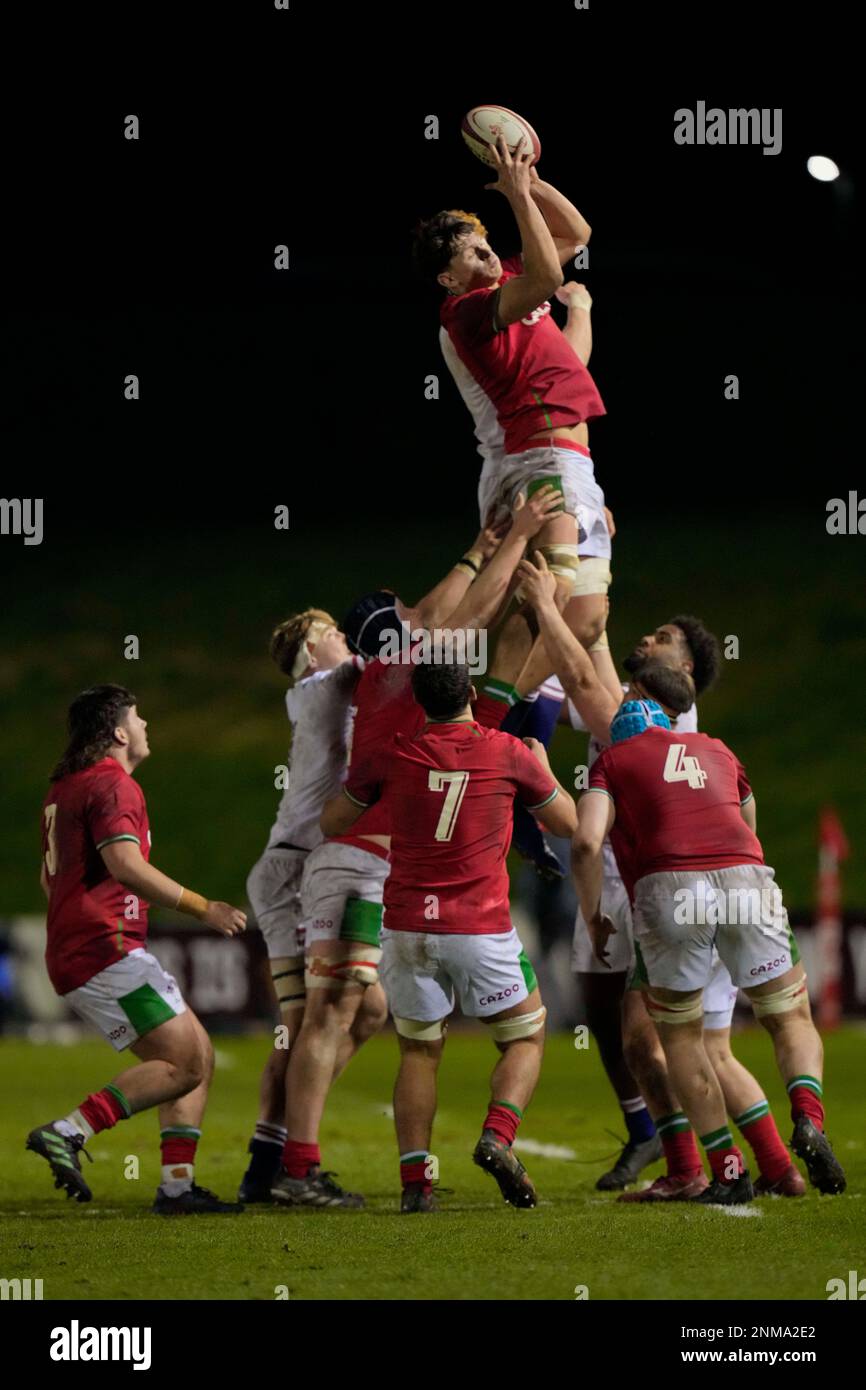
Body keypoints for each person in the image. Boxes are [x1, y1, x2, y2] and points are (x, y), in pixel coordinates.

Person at [270, 489, 562, 1208]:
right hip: (354, 864)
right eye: (400, 618)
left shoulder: (391, 689)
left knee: (370, 1018)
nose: (420, 619)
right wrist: (520, 538)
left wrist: (496, 554)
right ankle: (293, 1165)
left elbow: (461, 631)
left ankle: (294, 1154)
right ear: (391, 637)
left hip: (379, 870)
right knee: (334, 1011)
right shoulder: (393, 673)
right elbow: (449, 618)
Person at [322, 661, 576, 1212]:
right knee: (525, 1038)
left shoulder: (394, 752)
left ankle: (416, 1187)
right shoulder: (508, 750)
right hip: (478, 926)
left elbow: (333, 820)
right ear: (473, 694)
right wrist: (544, 766)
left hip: (407, 925)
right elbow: (568, 823)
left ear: (419, 703)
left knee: (418, 1052)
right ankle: (499, 1135)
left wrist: (369, 786)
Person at [572, 698, 847, 1204]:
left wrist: (594, 916)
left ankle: (727, 1170)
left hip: (670, 889)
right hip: (745, 879)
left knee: (682, 1038)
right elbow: (748, 818)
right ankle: (809, 1117)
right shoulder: (717, 748)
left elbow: (587, 842)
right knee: (789, 1018)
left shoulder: (612, 761)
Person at [30, 684, 246, 1214]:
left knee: (197, 1053)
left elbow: (47, 879)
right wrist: (203, 907)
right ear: (119, 732)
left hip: (88, 947)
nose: (146, 724)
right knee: (186, 1063)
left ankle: (176, 1187)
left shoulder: (66, 787)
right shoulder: (112, 784)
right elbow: (127, 865)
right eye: (138, 716)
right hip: (103, 950)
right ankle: (69, 1131)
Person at [238, 612, 387, 1202]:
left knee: (369, 1010)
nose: (348, 642)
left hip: (308, 868)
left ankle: (277, 1159)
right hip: (296, 872)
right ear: (312, 647)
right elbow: (397, 644)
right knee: (301, 1028)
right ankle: (276, 1168)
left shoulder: (321, 697)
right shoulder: (318, 687)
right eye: (337, 633)